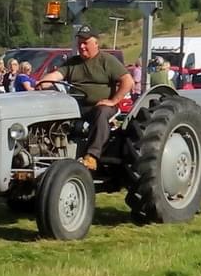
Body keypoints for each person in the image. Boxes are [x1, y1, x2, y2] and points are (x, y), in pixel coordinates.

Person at [35, 26, 132, 169]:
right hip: (76, 107)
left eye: (85, 43)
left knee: (102, 112)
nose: (81, 46)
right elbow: (56, 76)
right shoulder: (72, 63)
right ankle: (48, 152)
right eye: (79, 42)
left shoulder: (107, 60)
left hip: (100, 107)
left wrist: (113, 101)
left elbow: (128, 81)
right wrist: (43, 83)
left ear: (96, 43)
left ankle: (92, 156)